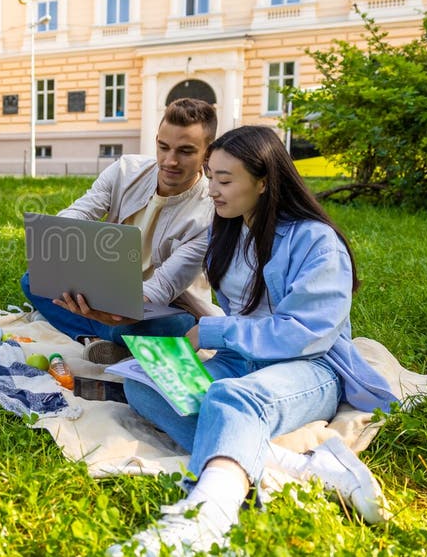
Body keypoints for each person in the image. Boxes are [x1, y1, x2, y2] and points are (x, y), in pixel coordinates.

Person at [110, 126, 398, 556]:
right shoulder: (227, 231)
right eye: (211, 176)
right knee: (146, 386)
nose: (212, 190)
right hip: (241, 357)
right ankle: (304, 466)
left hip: (311, 366)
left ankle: (206, 517)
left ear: (264, 182)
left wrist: (213, 331)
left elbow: (304, 332)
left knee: (231, 398)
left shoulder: (317, 242)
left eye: (225, 180)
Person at [20, 98, 222, 363]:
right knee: (32, 280)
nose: (170, 161)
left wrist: (109, 313)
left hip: (161, 306)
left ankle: (95, 332)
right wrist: (60, 246)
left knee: (177, 328)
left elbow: (163, 287)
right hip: (107, 287)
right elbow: (79, 212)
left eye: (185, 151)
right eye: (163, 147)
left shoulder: (210, 214)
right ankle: (102, 339)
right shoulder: (125, 170)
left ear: (207, 154)